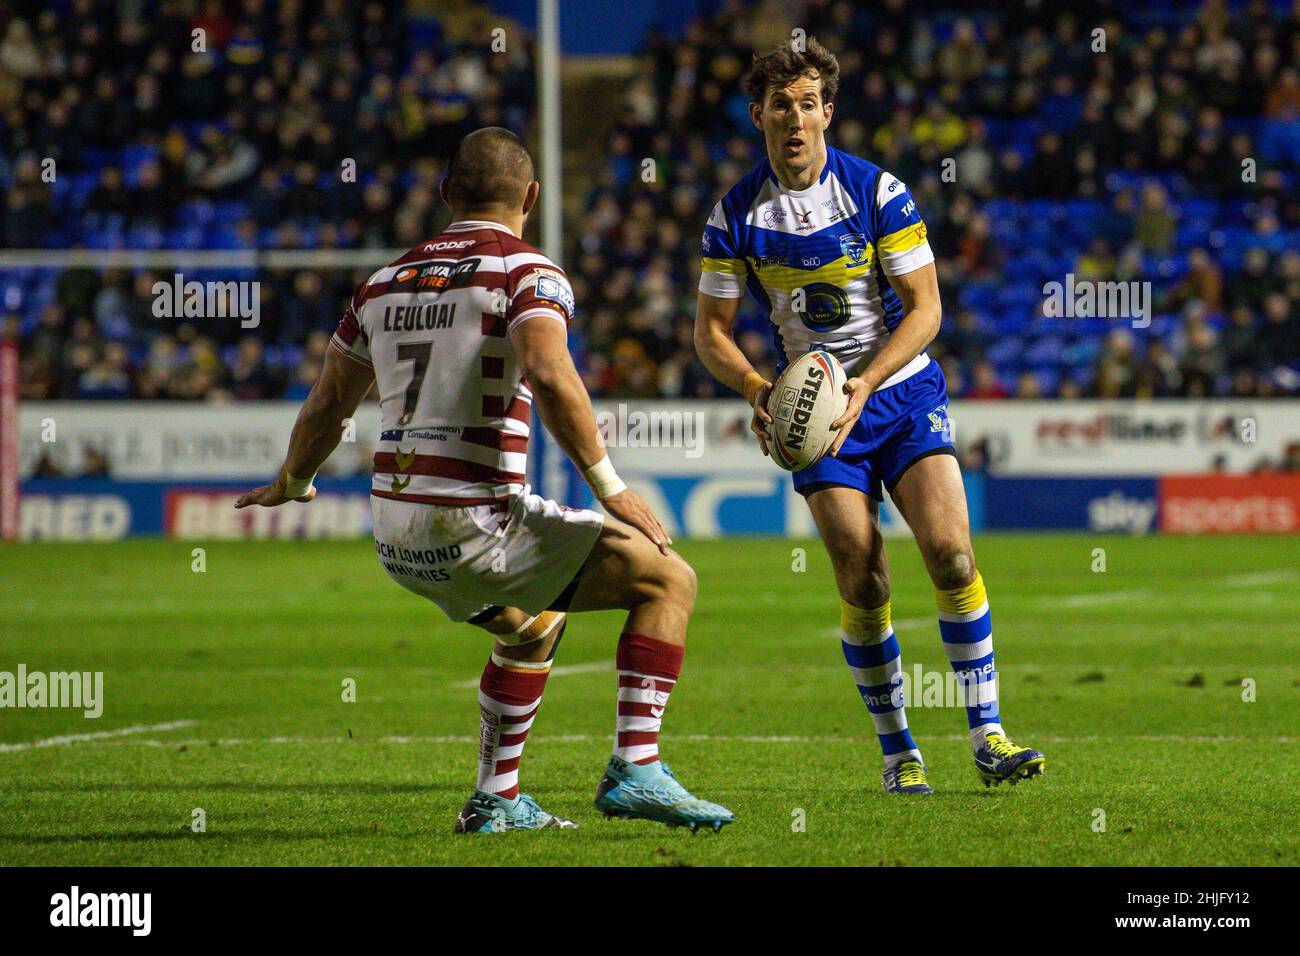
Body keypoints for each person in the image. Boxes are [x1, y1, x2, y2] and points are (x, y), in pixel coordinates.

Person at [237, 128, 732, 833]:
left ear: (445, 196)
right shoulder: (527, 271)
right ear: (532, 196)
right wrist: (608, 484)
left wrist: (292, 481)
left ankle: (494, 801)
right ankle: (637, 770)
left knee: (532, 625)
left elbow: (326, 406)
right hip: (473, 522)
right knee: (669, 581)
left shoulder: (380, 284)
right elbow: (549, 369)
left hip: (396, 532)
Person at [693, 40, 1045, 795]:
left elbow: (926, 311)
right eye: (780, 104)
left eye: (809, 102)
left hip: (901, 391)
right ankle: (898, 753)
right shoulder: (733, 215)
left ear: (828, 110)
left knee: (950, 552)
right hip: (816, 412)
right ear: (758, 115)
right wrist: (761, 391)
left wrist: (867, 382)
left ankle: (988, 733)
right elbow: (709, 334)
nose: (796, 117)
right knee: (862, 575)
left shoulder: (877, 191)